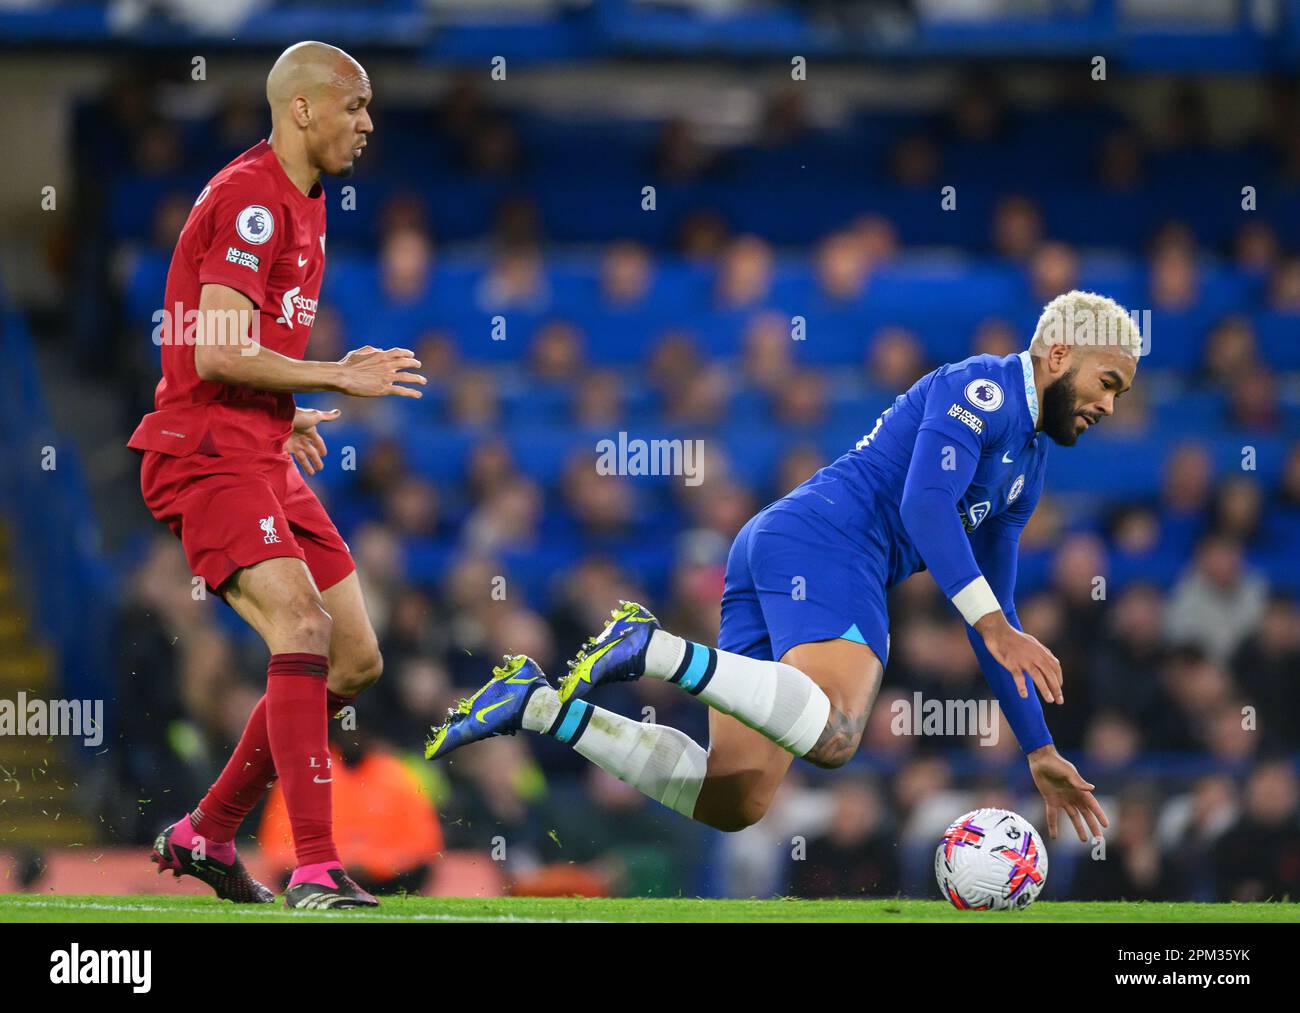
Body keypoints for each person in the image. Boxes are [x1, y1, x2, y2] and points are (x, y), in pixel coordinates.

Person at [429, 290, 1137, 846]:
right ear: (1058, 352)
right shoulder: (983, 387)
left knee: (733, 798)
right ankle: (653, 647)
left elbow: (1000, 627)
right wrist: (990, 620)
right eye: (1107, 381)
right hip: (830, 541)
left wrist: (1038, 747)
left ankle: (539, 705)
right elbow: (926, 509)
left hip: (783, 546)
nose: (1109, 404)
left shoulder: (1030, 469)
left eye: (1120, 393)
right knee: (835, 732)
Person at [128, 41, 426, 908]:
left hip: (253, 443)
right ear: (302, 108)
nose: (367, 124)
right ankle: (317, 866)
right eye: (355, 105)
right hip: (204, 455)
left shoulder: (306, 196)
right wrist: (335, 374)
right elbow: (215, 347)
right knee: (300, 623)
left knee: (357, 659)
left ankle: (206, 833)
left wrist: (280, 409)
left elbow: (225, 351)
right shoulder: (250, 200)